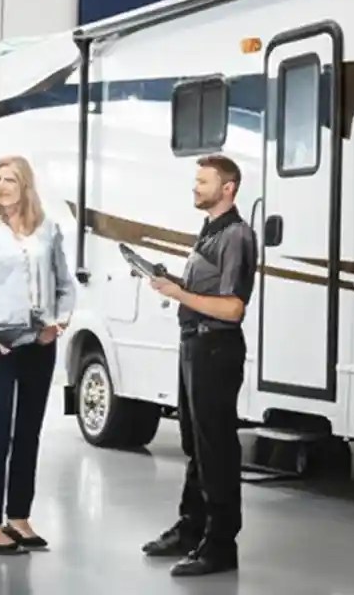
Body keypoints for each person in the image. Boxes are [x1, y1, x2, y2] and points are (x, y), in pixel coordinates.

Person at [142, 154, 258, 577]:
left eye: (203, 181)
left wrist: (178, 292)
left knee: (217, 449)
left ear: (227, 188)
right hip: (193, 346)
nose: (195, 187)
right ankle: (192, 528)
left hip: (216, 349)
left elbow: (232, 308)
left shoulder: (237, 236)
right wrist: (175, 283)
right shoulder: (208, 232)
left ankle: (221, 544)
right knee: (195, 444)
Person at [0, 155, 75, 556]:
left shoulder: (48, 229)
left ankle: (18, 518)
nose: (2, 186)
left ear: (26, 186)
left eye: (11, 179)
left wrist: (58, 324)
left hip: (39, 345)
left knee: (29, 432)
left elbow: (65, 284)